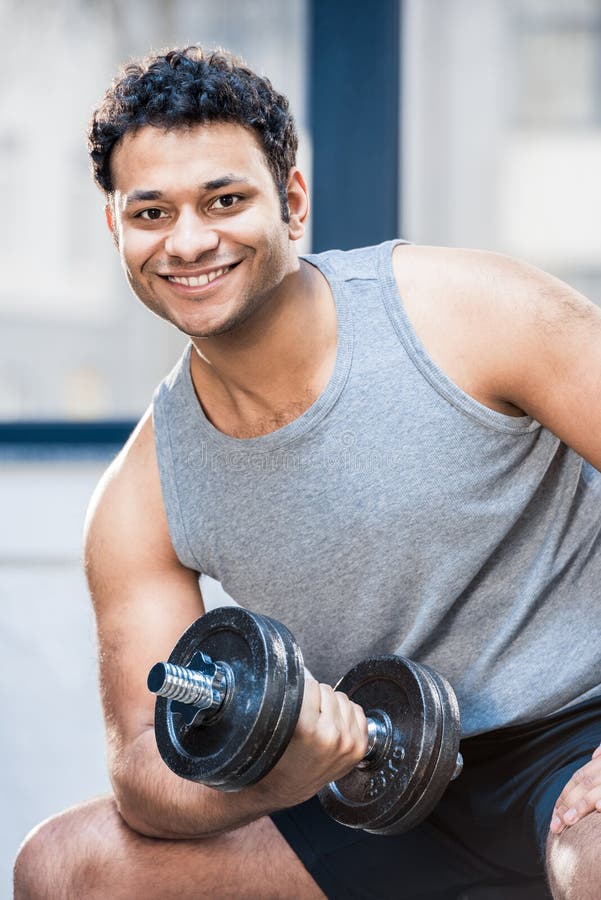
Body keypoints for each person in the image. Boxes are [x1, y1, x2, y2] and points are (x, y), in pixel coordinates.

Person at [13, 45, 601, 900]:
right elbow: (142, 769)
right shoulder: (141, 497)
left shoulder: (469, 313)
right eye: (151, 213)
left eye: (224, 200)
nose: (189, 241)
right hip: (377, 791)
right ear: (116, 230)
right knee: (65, 868)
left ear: (291, 203)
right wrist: (275, 781)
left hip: (577, 736)